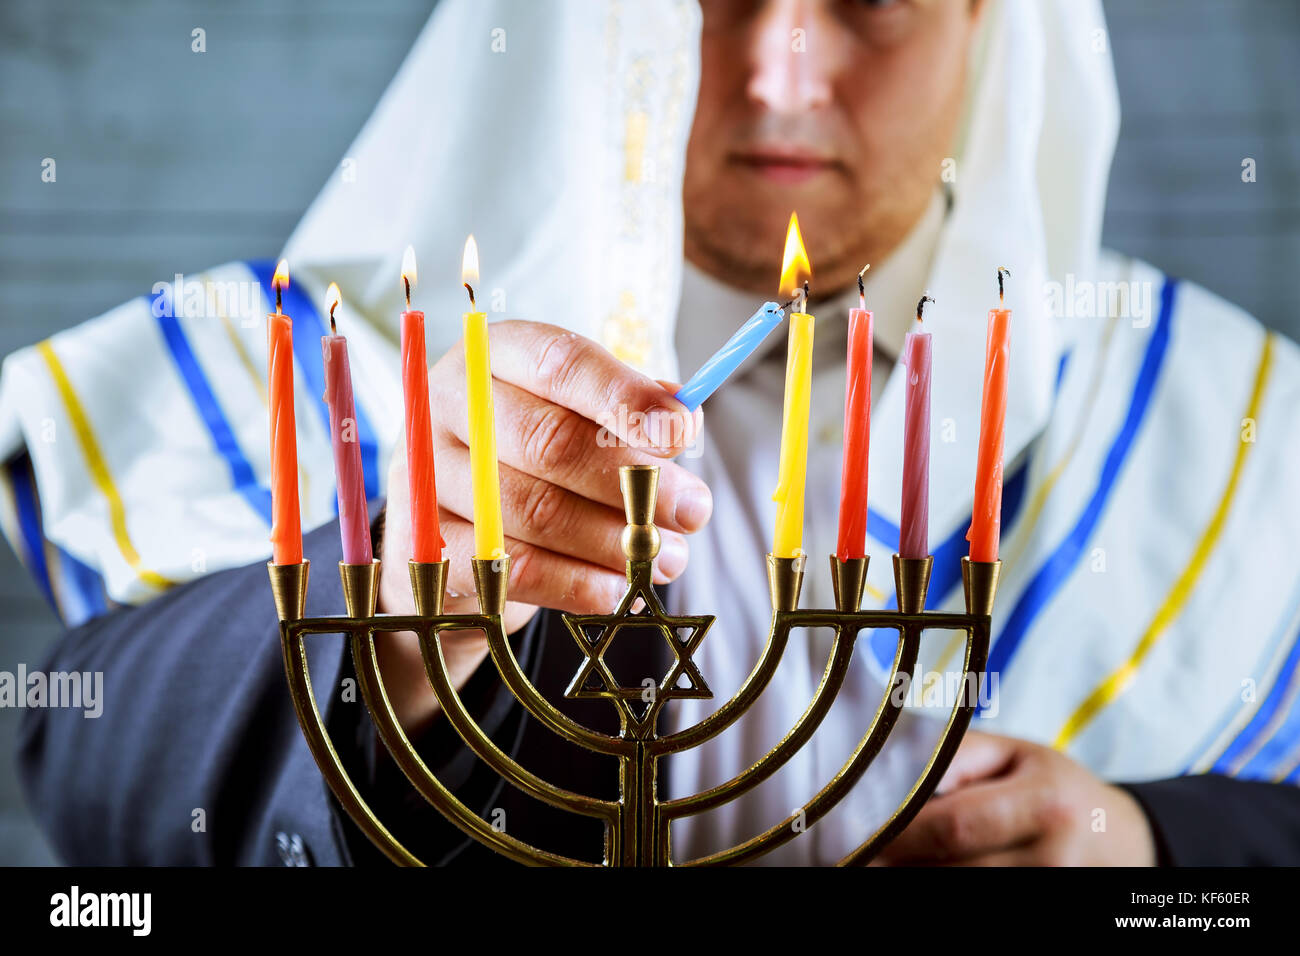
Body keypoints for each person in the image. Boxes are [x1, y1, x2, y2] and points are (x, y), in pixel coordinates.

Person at [4, 0, 1300, 866]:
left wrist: (1157, 852)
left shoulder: (1224, 420)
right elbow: (84, 757)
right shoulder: (352, 361)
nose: (784, 72)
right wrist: (394, 618)